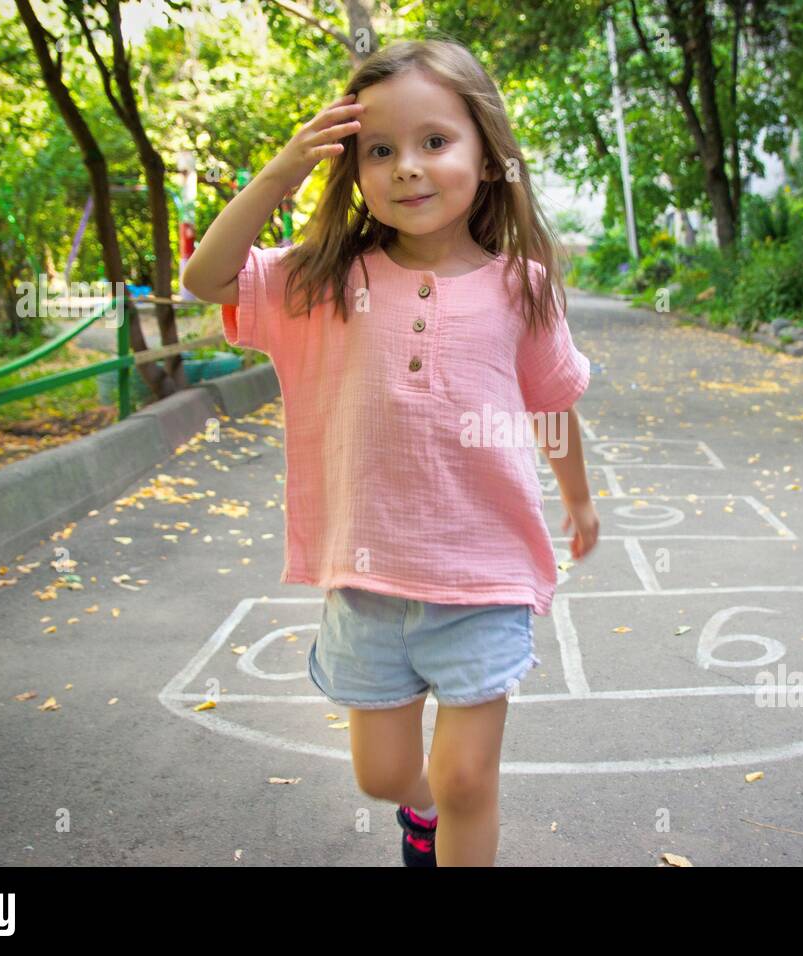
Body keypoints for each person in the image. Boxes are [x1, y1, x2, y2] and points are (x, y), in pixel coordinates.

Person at [183, 38, 598, 867]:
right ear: (353, 166)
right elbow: (206, 279)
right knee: (387, 776)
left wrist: (579, 499)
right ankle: (423, 815)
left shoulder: (524, 285)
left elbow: (553, 402)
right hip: (366, 581)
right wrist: (282, 173)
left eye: (435, 142)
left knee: (468, 779)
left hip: (484, 574)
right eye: (380, 150)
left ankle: (449, 818)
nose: (407, 166)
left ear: (487, 157)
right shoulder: (324, 282)